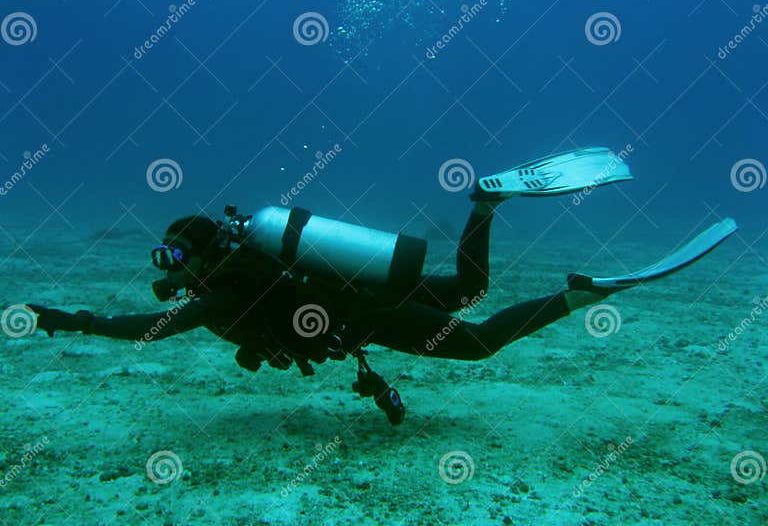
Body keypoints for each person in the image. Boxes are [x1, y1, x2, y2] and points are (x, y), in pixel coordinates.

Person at [25, 148, 737, 424]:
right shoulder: (251, 264)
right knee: (466, 283)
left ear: (193, 256)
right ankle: (484, 206)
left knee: (483, 342)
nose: (166, 270)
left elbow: (141, 331)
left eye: (169, 256)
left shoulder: (223, 293)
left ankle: (583, 294)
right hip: (365, 296)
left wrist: (68, 319)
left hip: (370, 316)